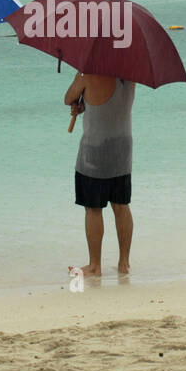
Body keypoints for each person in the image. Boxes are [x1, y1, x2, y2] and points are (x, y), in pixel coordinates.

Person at [64, 71, 134, 277]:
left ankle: (95, 266)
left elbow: (68, 97)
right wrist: (87, 104)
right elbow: (110, 108)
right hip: (122, 150)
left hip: (94, 152)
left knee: (93, 209)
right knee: (121, 206)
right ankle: (124, 263)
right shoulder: (129, 77)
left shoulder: (87, 75)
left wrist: (79, 102)